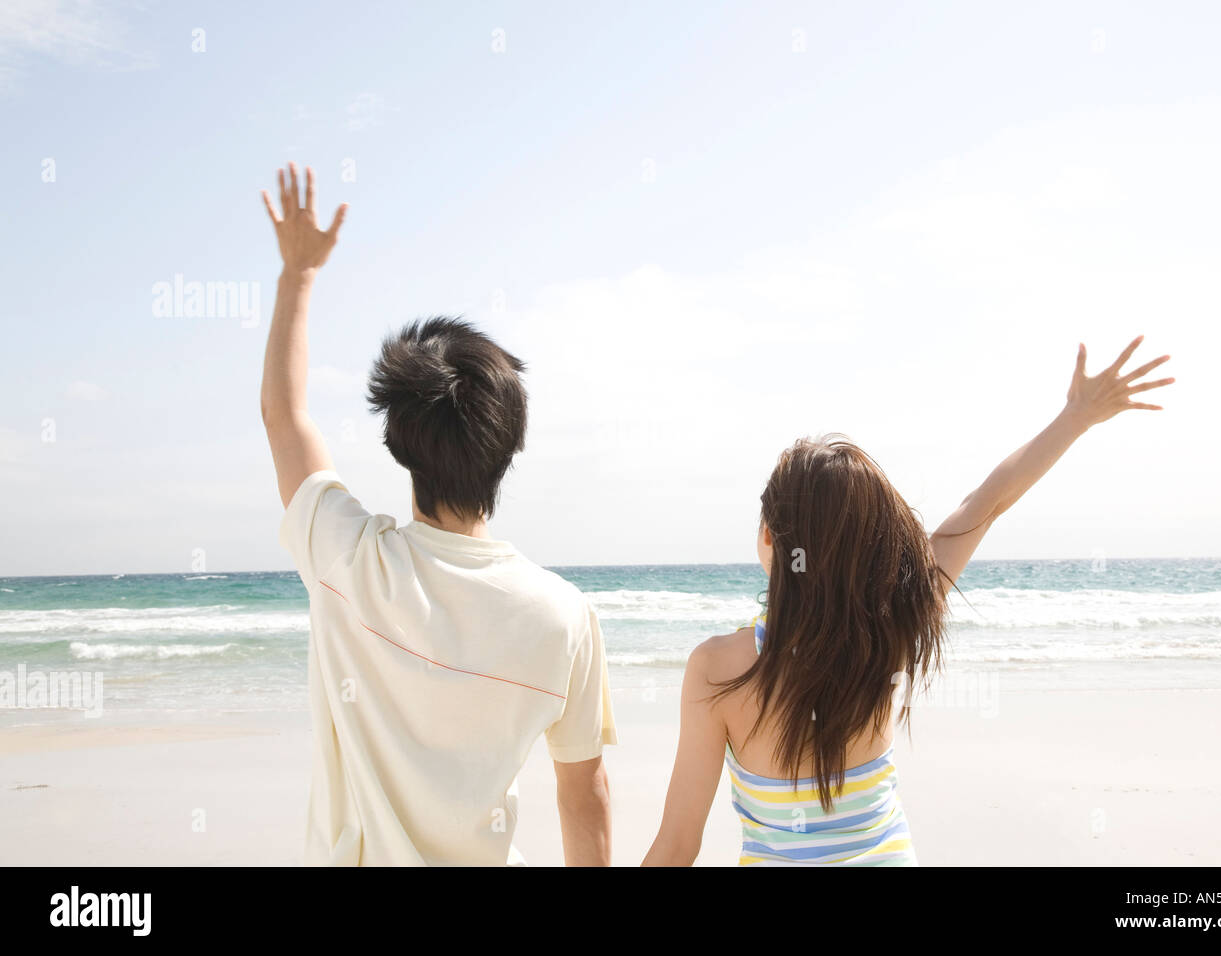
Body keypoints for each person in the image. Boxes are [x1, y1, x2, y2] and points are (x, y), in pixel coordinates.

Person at [643, 337, 1173, 866]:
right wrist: (1075, 418)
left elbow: (677, 846)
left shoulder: (717, 670)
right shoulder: (894, 622)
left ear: (767, 536)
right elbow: (985, 505)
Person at [259, 164, 617, 866]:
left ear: (397, 445)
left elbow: (284, 417)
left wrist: (298, 275)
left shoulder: (347, 561)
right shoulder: (564, 616)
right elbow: (585, 795)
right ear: (510, 446)